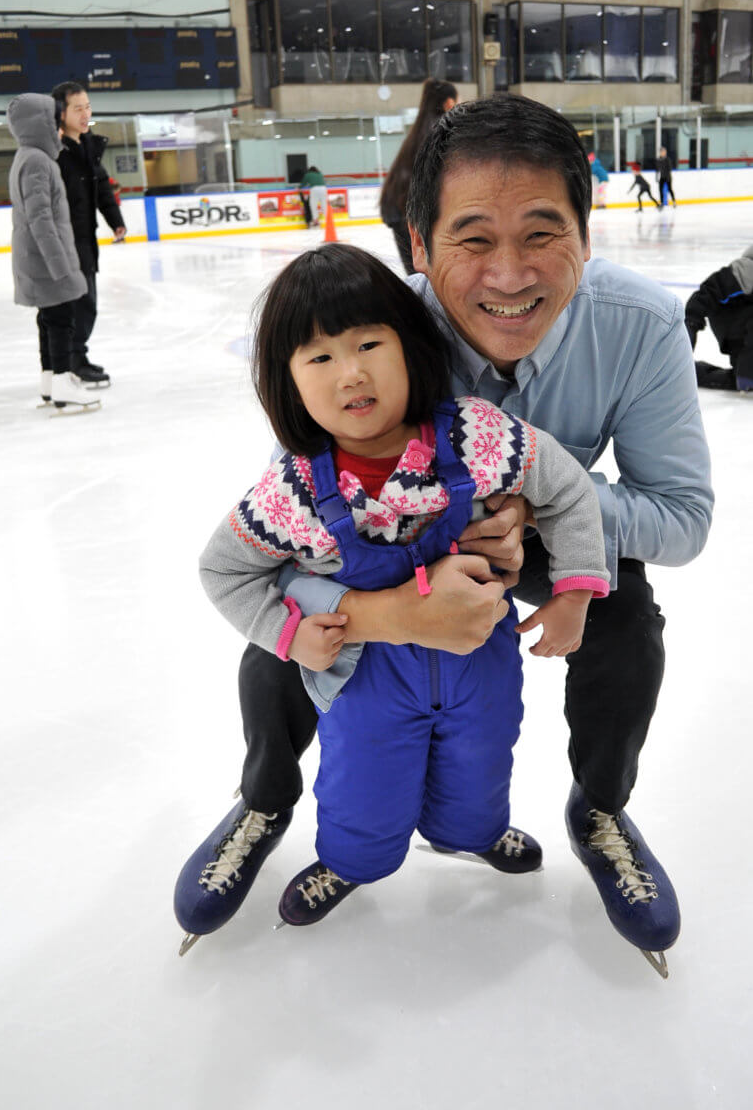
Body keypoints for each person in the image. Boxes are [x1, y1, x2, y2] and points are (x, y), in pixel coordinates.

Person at [176, 94, 713, 978]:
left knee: (625, 621)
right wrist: (384, 614)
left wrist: (538, 511)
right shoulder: (374, 329)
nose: (508, 274)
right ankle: (264, 798)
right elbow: (294, 518)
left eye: (541, 232)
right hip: (389, 555)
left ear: (585, 231)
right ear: (420, 246)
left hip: (549, 533)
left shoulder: (639, 327)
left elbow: (681, 519)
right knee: (285, 636)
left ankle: (599, 809)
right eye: (472, 239)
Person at [175, 242, 609, 943]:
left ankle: (473, 833)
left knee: (482, 761)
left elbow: (566, 490)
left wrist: (574, 592)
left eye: (369, 344)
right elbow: (223, 570)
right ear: (287, 382)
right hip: (365, 679)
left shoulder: (477, 435)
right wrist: (286, 633)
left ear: (410, 346)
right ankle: (349, 861)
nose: (350, 372)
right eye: (319, 357)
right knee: (362, 787)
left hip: (481, 662)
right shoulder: (293, 489)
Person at [7, 92, 98, 412]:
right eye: (52, 120)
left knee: (48, 320)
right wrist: (60, 267)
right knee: (60, 320)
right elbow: (41, 218)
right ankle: (61, 382)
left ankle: (50, 380)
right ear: (38, 124)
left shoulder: (29, 156)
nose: (58, 127)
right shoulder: (37, 161)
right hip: (46, 261)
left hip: (38, 258)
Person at [51, 81, 127, 388]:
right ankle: (72, 361)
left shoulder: (88, 147)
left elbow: (102, 187)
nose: (85, 114)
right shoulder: (55, 151)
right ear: (61, 113)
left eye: (88, 107)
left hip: (86, 238)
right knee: (77, 303)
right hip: (65, 241)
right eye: (77, 108)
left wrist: (115, 220)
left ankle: (77, 356)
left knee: (87, 302)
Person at [380, 78, 457, 273]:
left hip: (398, 213)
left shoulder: (416, 134)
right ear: (449, 103)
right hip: (416, 218)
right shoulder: (445, 134)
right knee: (431, 280)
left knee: (419, 280)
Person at [685, 244, 753, 392]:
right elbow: (705, 295)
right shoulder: (747, 271)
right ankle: (744, 374)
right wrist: (691, 323)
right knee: (747, 375)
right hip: (732, 320)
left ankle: (744, 374)